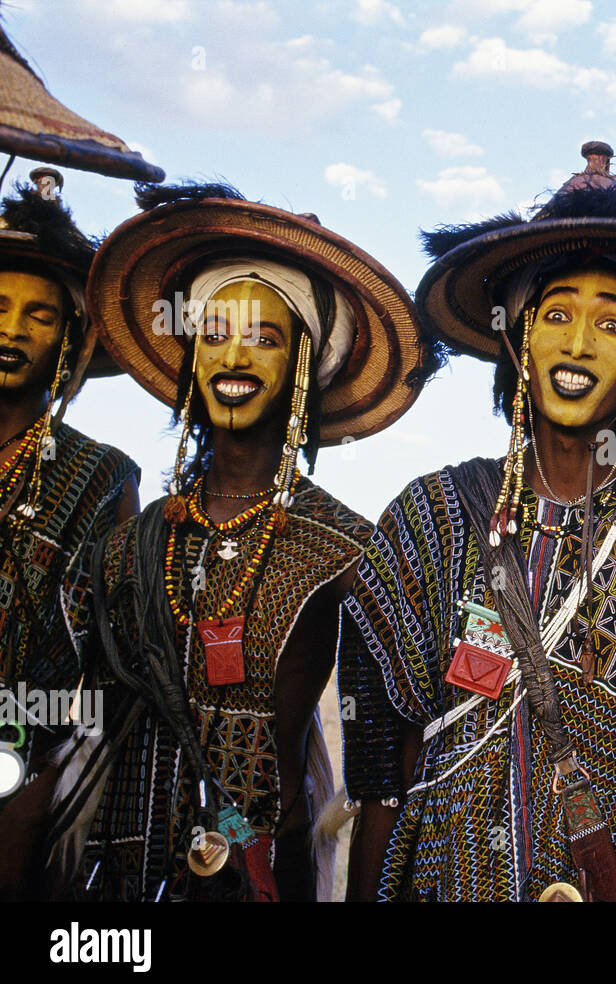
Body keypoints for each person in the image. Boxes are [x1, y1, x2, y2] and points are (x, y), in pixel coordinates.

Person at [340, 143, 616, 901]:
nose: (576, 343)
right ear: (519, 341)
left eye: (611, 323)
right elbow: (389, 780)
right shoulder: (431, 516)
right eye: (558, 314)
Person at [51, 182, 428, 901]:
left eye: (265, 339)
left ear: (303, 366)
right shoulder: (127, 545)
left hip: (258, 873)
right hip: (114, 875)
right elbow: (62, 721)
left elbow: (393, 749)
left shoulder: (345, 548)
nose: (234, 357)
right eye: (215, 333)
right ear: (191, 355)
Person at [0, 171, 139, 898]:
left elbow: (108, 676)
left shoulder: (101, 477)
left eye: (39, 315)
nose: (11, 328)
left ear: (68, 340)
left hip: (24, 765)